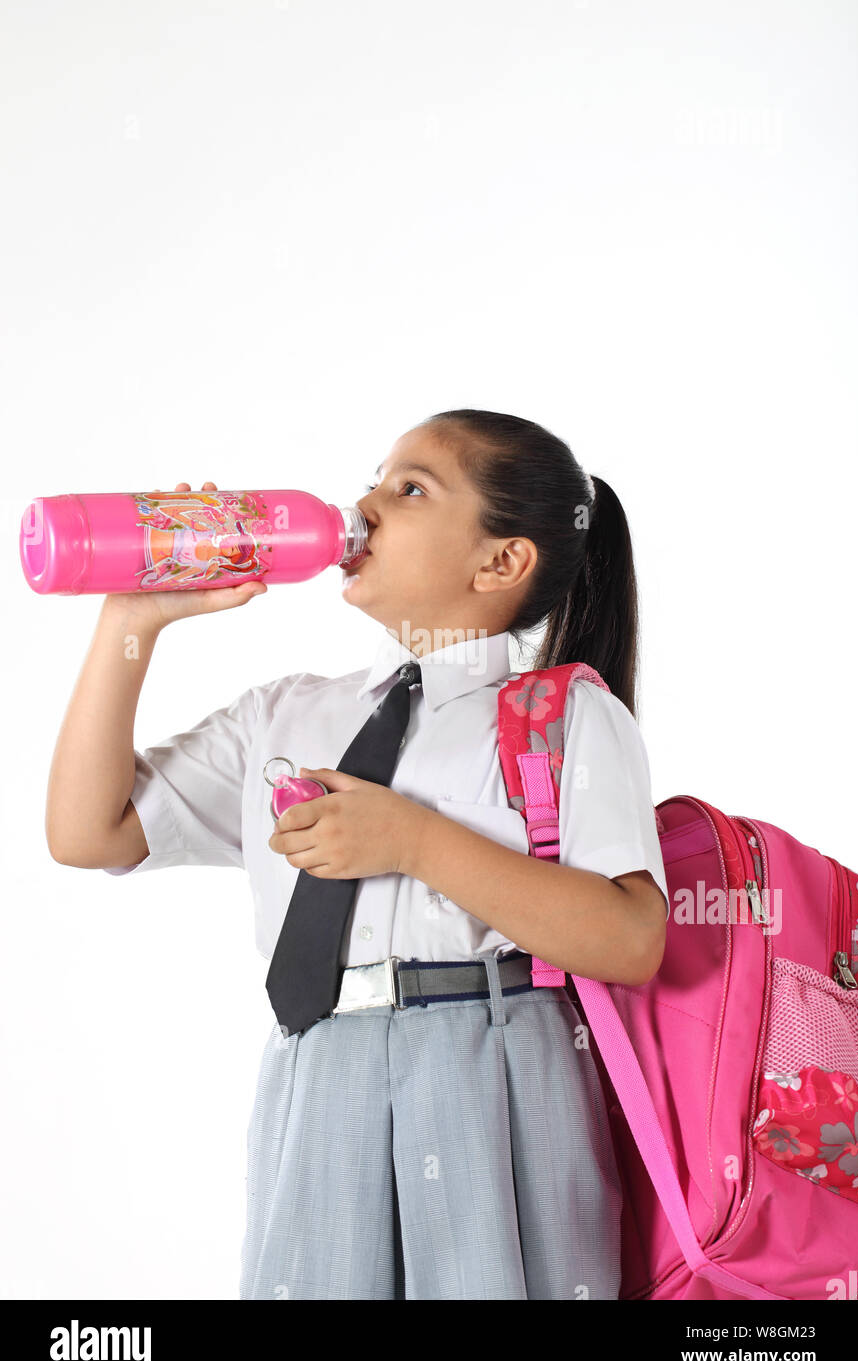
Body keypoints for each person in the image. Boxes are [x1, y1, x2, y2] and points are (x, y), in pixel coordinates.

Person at [45, 408, 669, 1300]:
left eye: (409, 488)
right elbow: (86, 832)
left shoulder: (566, 719)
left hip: (490, 1081)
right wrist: (133, 618)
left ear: (501, 562)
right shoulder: (285, 716)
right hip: (317, 1072)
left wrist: (411, 839)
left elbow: (630, 938)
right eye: (375, 478)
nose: (364, 505)